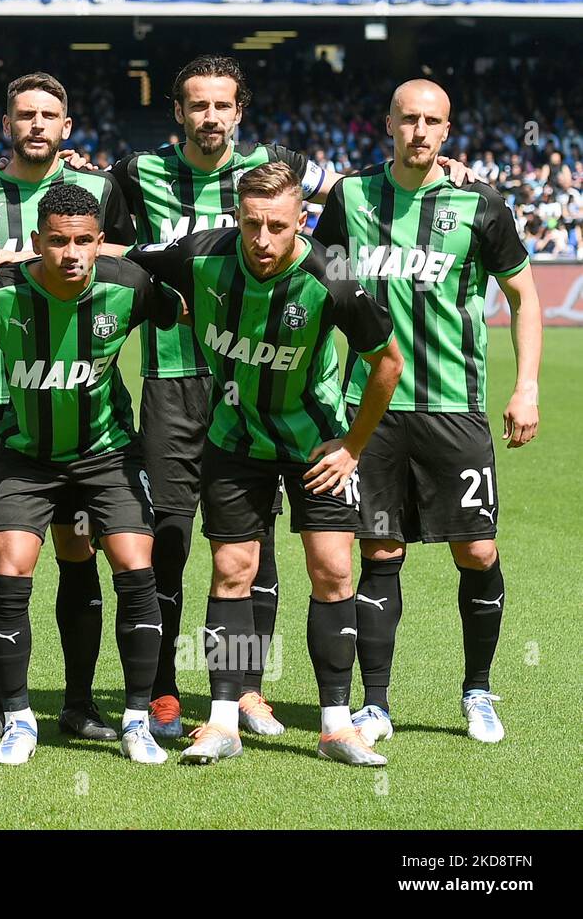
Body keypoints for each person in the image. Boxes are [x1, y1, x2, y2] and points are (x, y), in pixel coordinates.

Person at [128, 161, 403, 766]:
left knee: (333, 571)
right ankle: (223, 721)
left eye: (277, 226)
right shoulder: (199, 255)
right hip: (234, 439)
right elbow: (119, 257)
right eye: (251, 224)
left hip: (316, 445)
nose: (262, 240)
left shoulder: (331, 273)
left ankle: (336, 725)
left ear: (300, 221)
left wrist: (353, 446)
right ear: (235, 218)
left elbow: (388, 361)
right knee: (232, 570)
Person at [312, 79, 542, 746]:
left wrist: (526, 386)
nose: (419, 129)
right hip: (371, 413)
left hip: (454, 408)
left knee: (476, 548)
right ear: (388, 123)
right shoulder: (351, 198)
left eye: (431, 120)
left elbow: (525, 298)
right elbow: (317, 289)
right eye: (408, 118)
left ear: (447, 130)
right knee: (380, 549)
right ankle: (375, 704)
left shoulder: (480, 204)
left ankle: (477, 690)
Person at [0, 72, 137, 744]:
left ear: (67, 127)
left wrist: (37, 258)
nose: (37, 125)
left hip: (82, 397)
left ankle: (79, 703)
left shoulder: (99, 190)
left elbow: (136, 262)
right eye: (25, 114)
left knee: (79, 551)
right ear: (7, 123)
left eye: (50, 114)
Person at [0, 182, 177, 767]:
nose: (72, 253)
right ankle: (20, 719)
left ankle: (135, 719)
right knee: (8, 567)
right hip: (24, 457)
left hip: (106, 455)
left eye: (83, 241)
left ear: (102, 242)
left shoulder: (128, 286)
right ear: (35, 243)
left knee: (134, 564)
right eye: (57, 242)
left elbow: (181, 299)